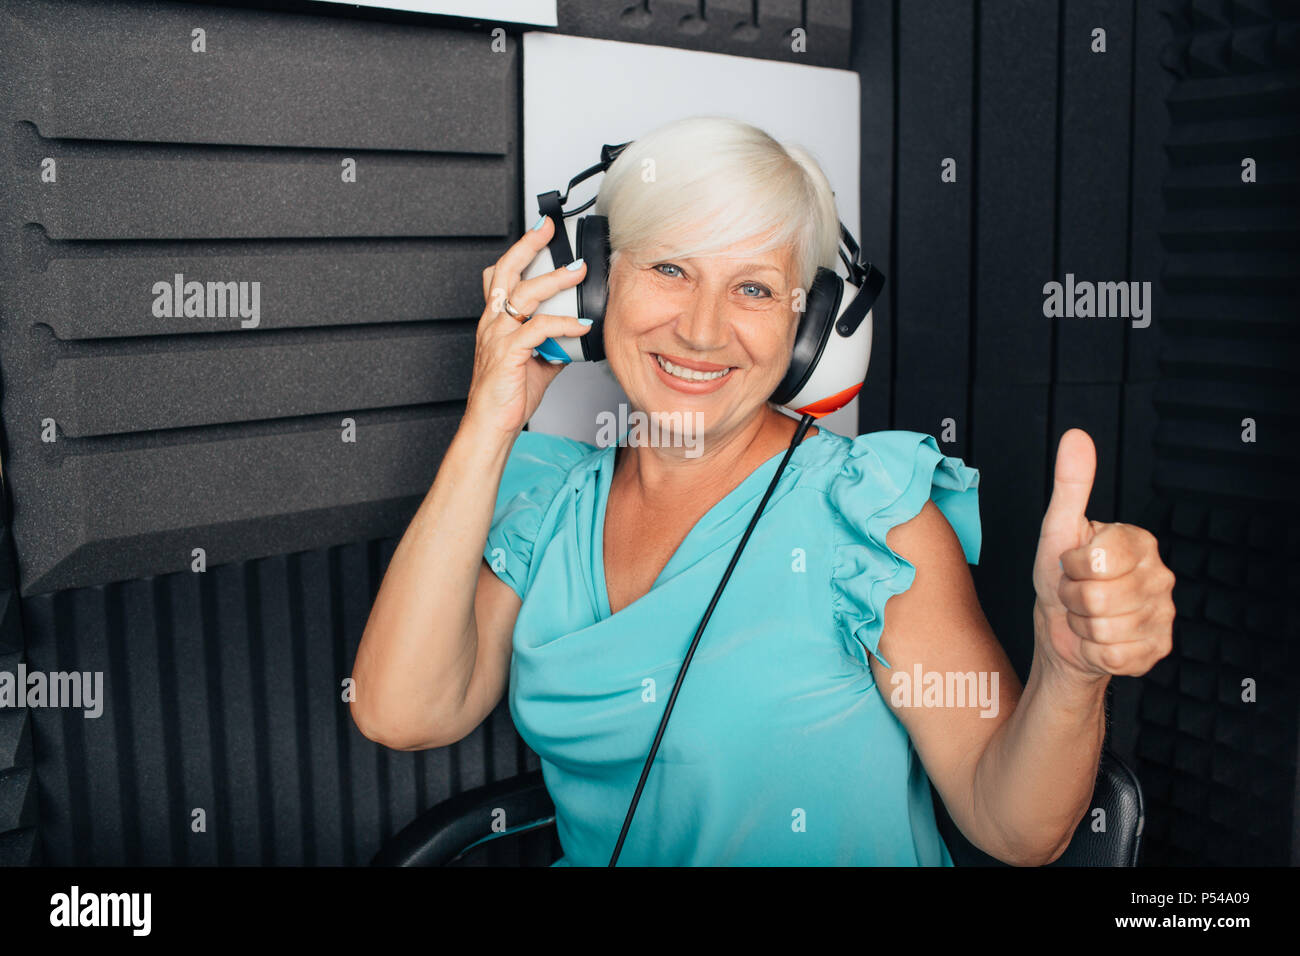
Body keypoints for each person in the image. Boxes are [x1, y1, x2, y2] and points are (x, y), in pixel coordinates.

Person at [350, 115, 1176, 866]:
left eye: (752, 288)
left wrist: (1071, 673)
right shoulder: (549, 505)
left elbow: (1016, 827)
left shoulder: (867, 516)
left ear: (810, 331)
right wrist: (489, 422)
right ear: (593, 286)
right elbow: (403, 711)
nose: (703, 330)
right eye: (670, 268)